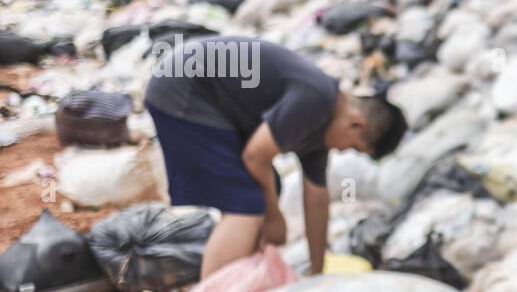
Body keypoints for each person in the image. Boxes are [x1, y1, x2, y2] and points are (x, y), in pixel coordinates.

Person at [144, 35, 406, 278]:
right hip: (183, 85)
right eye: (353, 148)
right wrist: (273, 216)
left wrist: (317, 273)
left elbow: (316, 201)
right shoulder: (317, 100)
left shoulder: (320, 133)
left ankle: (241, 281)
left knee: (267, 188)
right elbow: (256, 156)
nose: (342, 151)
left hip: (195, 87)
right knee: (247, 206)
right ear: (357, 125)